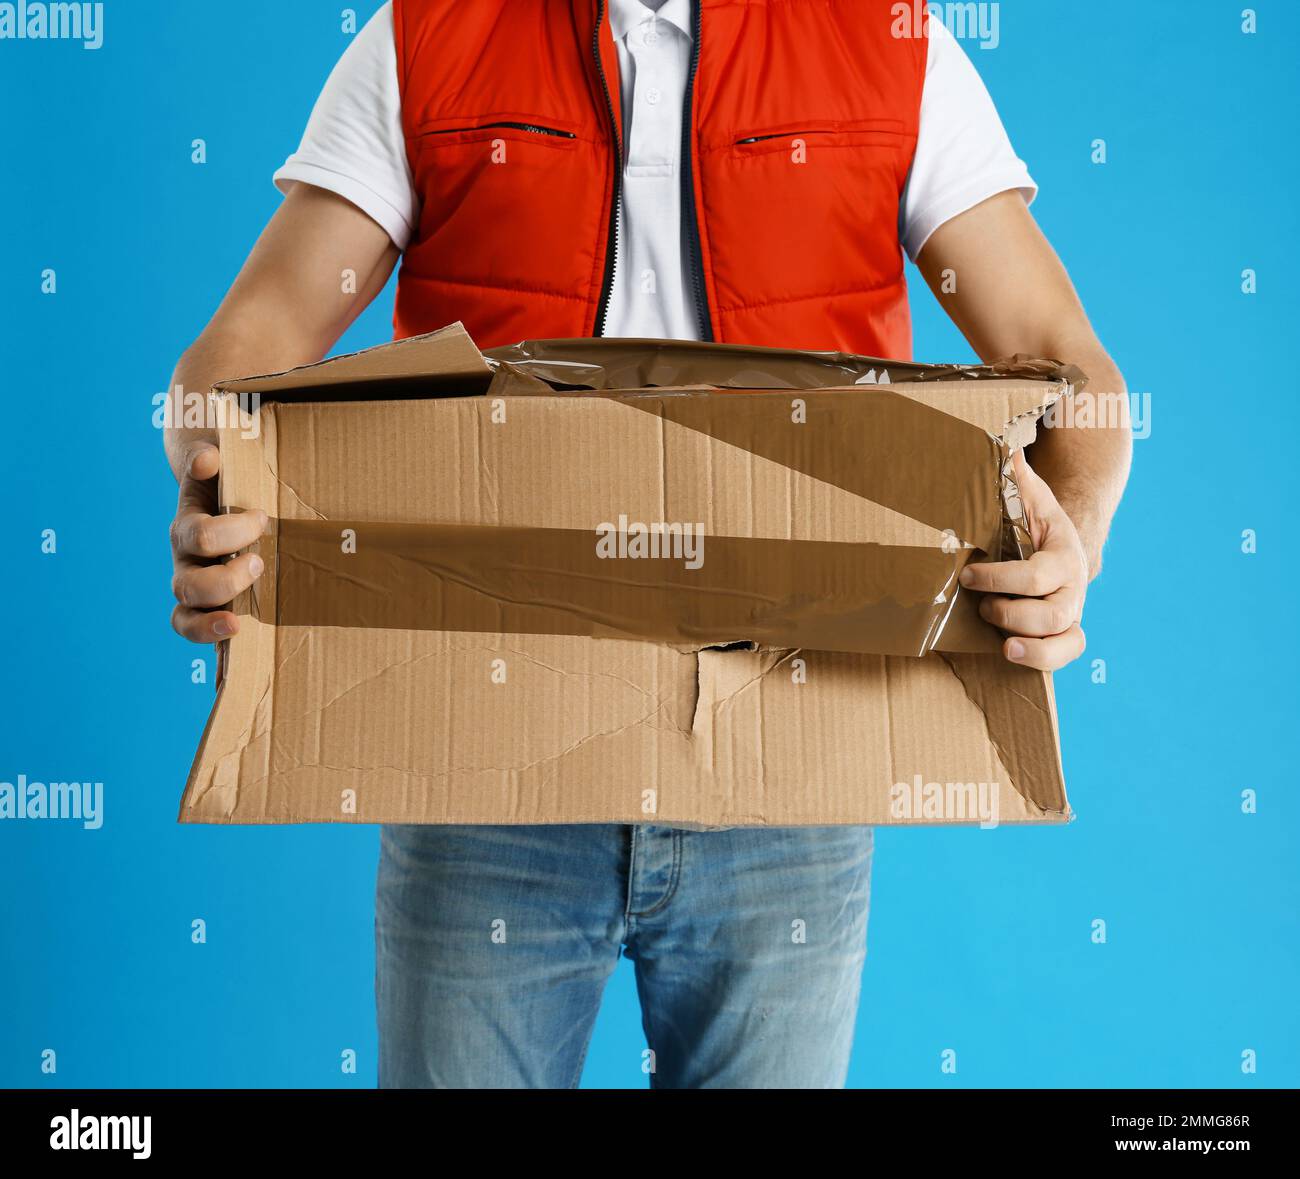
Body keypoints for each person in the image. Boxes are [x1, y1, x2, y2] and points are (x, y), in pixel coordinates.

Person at [164, 0, 1130, 1089]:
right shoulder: (427, 37)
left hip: (797, 756)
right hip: (483, 757)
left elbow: (1068, 369)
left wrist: (1072, 546)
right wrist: (217, 483)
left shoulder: (886, 42)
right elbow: (239, 355)